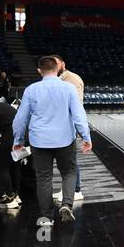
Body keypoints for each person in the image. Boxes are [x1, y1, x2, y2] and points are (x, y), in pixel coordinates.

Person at [13, 55, 92, 226]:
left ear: (39, 71)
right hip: (65, 140)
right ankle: (66, 204)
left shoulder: (31, 90)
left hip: (39, 142)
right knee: (69, 172)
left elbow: (20, 119)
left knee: (43, 178)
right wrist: (85, 136)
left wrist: (18, 140)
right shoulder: (69, 88)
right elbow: (79, 115)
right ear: (58, 69)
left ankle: (47, 217)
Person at [51, 55, 85, 202]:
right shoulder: (57, 80)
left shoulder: (72, 79)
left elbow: (76, 105)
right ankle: (66, 188)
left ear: (63, 64)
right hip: (59, 124)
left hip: (68, 123)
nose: (55, 66)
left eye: (57, 64)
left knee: (70, 160)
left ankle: (76, 190)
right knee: (63, 160)